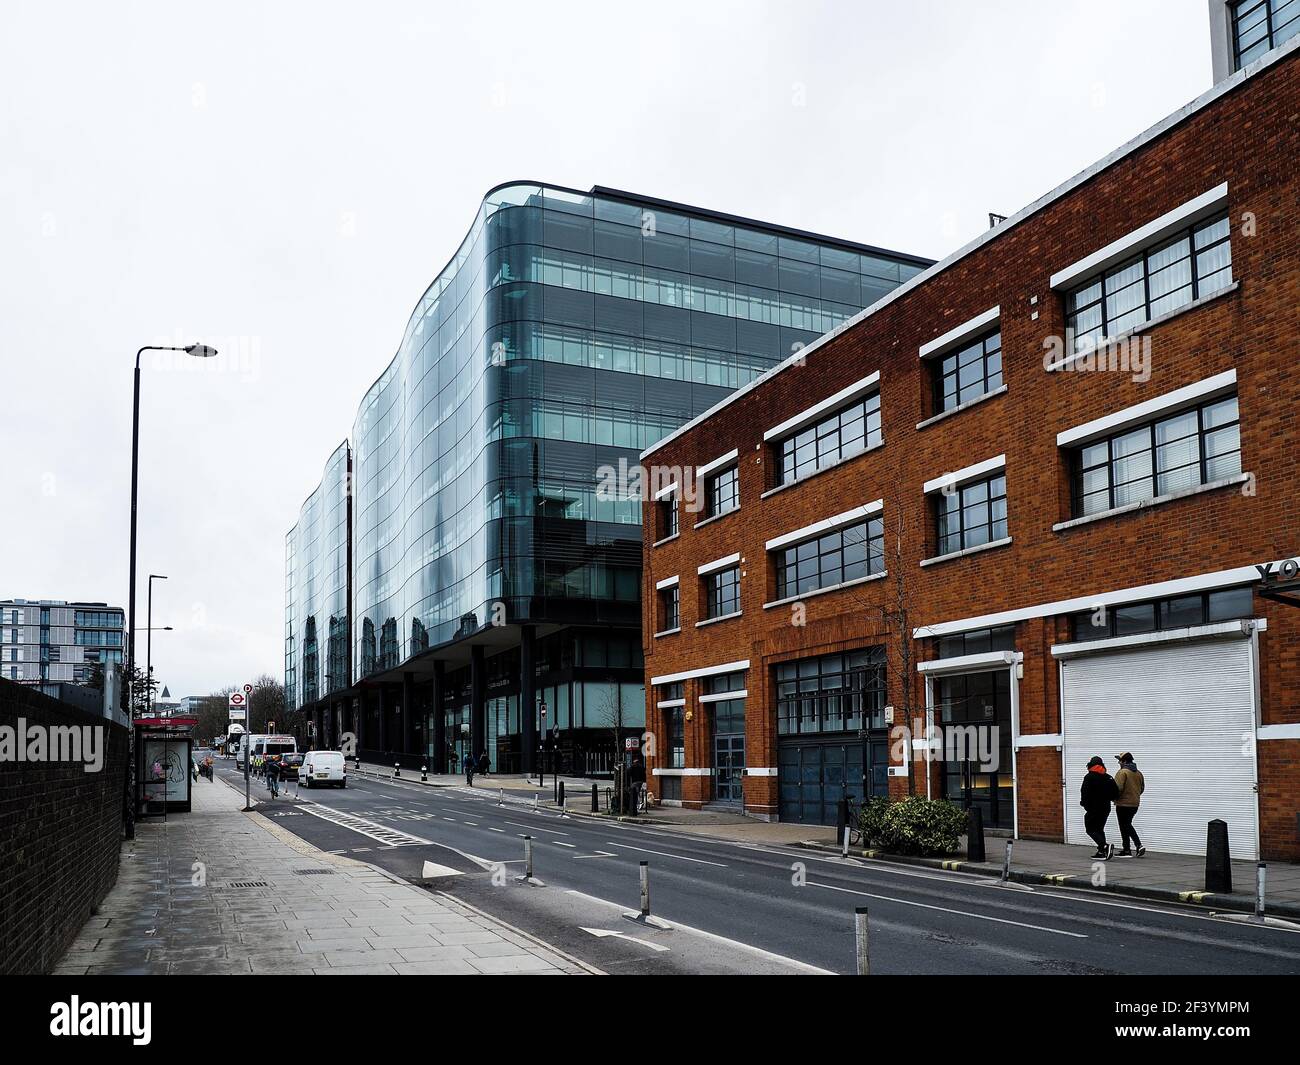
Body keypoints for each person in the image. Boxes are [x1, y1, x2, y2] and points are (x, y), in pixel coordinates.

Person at [1079, 755, 1118, 860]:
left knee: (1090, 829)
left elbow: (1084, 792)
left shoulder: (1089, 777)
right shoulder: (1108, 777)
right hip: (1106, 807)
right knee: (1099, 829)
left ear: (1090, 765)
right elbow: (1115, 793)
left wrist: (1084, 804)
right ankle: (1101, 852)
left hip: (1093, 808)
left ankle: (1104, 846)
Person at [1113, 752, 1146, 857]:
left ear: (1124, 761)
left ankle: (1137, 845)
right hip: (1135, 804)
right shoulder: (1139, 773)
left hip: (1123, 803)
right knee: (1126, 825)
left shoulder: (1122, 772)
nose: (1119, 762)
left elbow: (1117, 788)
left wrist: (1113, 798)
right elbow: (1142, 788)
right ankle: (1126, 849)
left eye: (1120, 760)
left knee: (1125, 825)